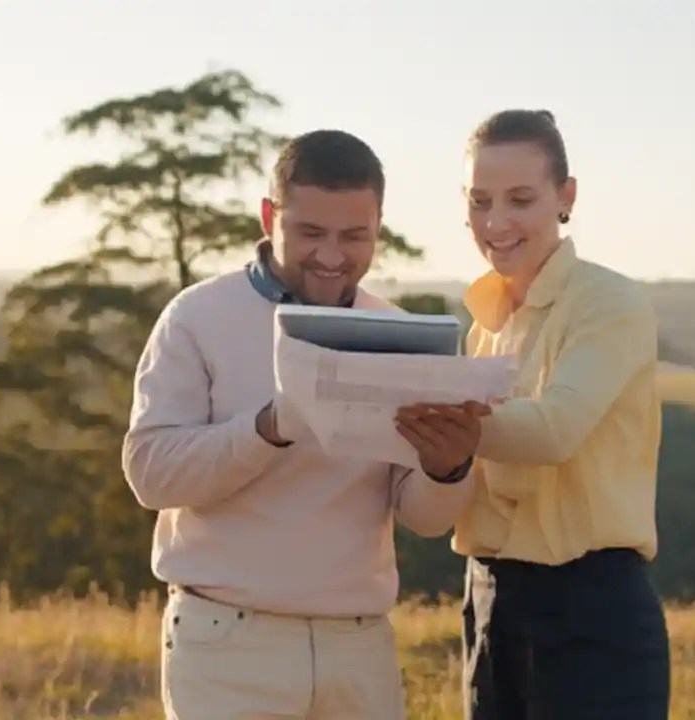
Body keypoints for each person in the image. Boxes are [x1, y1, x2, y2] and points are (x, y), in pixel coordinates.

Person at [123, 129, 484, 720]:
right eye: (311, 233)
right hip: (228, 647)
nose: (333, 256)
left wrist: (449, 468)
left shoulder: (395, 332)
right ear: (269, 216)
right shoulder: (197, 317)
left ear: (380, 224)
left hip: (358, 646)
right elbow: (151, 477)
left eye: (355, 236)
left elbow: (422, 517)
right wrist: (270, 427)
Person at [396, 109, 670, 718]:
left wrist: (446, 421)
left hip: (592, 607)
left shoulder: (610, 301)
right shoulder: (482, 326)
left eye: (520, 199)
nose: (496, 222)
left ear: (565, 196)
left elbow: (554, 430)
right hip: (489, 598)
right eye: (480, 201)